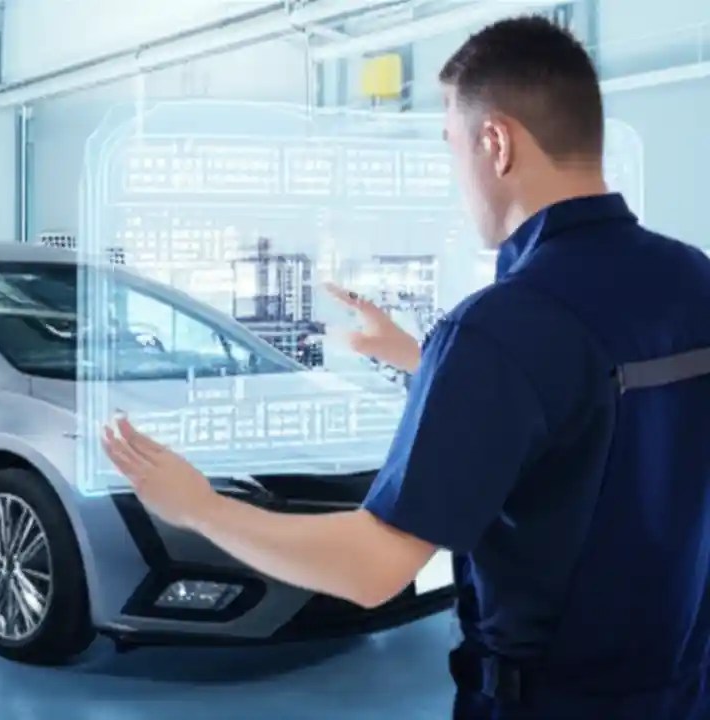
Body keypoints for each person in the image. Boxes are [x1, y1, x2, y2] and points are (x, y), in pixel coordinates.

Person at [101, 15, 710, 720]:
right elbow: (591, 419)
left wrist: (198, 507)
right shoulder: (692, 279)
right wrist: (422, 362)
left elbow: (371, 568)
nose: (459, 177)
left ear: (496, 142)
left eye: (453, 147)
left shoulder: (501, 328)